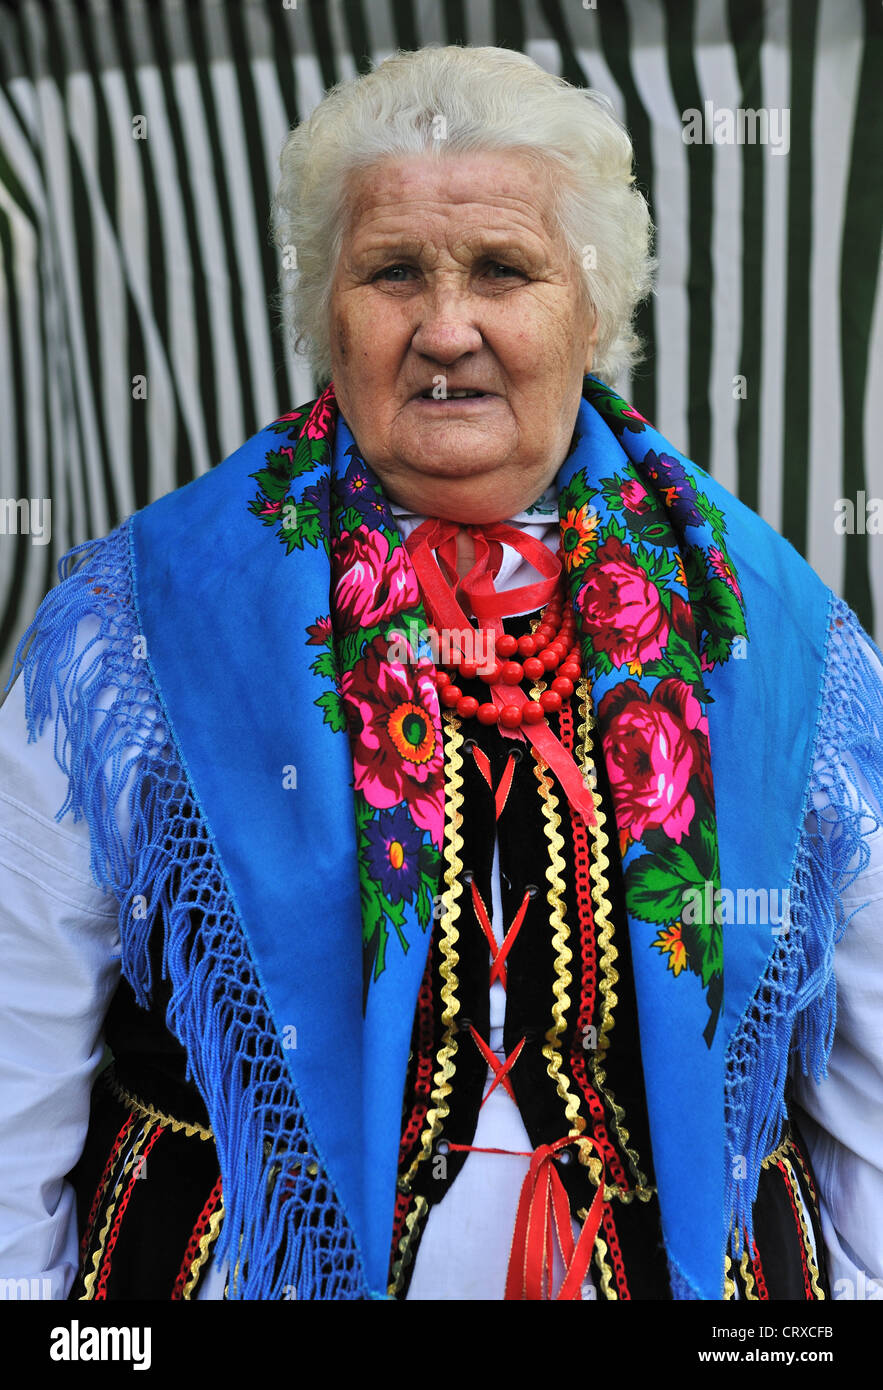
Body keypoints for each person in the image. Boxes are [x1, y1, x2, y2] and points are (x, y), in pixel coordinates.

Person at [1, 44, 881, 1303]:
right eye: (392, 271)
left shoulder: (772, 629)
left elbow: (871, 1077)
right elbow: (12, 1060)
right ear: (326, 309)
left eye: (503, 271)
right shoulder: (140, 624)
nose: (445, 327)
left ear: (593, 309)